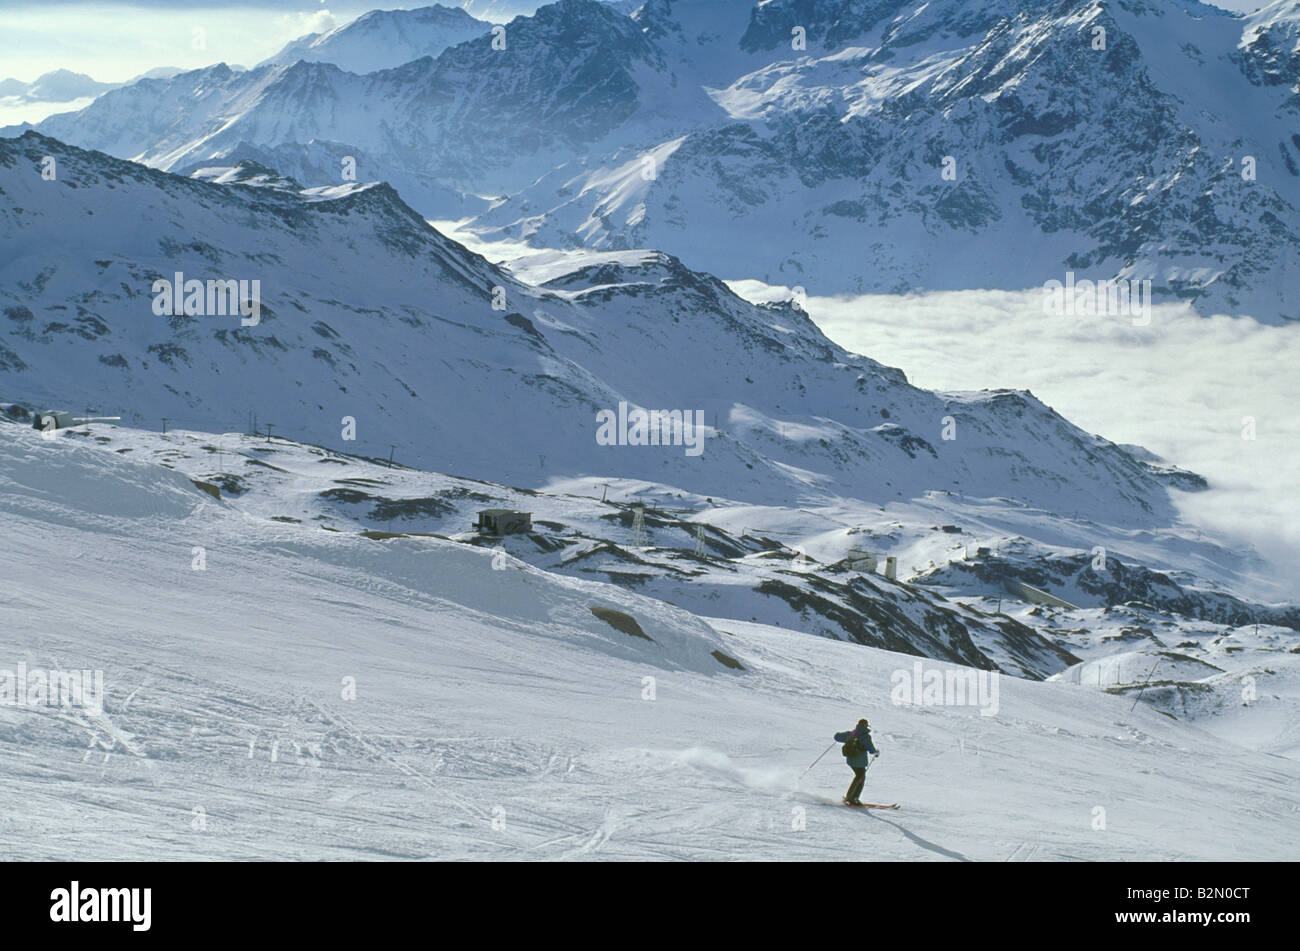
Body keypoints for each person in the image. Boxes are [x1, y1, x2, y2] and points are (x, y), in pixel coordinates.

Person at [833, 718, 879, 806]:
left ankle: (849, 797)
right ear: (866, 726)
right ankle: (853, 798)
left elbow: (837, 737)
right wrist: (876, 752)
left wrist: (838, 734)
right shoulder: (865, 736)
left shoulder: (852, 733)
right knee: (860, 777)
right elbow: (870, 748)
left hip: (850, 759)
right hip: (859, 761)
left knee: (858, 777)